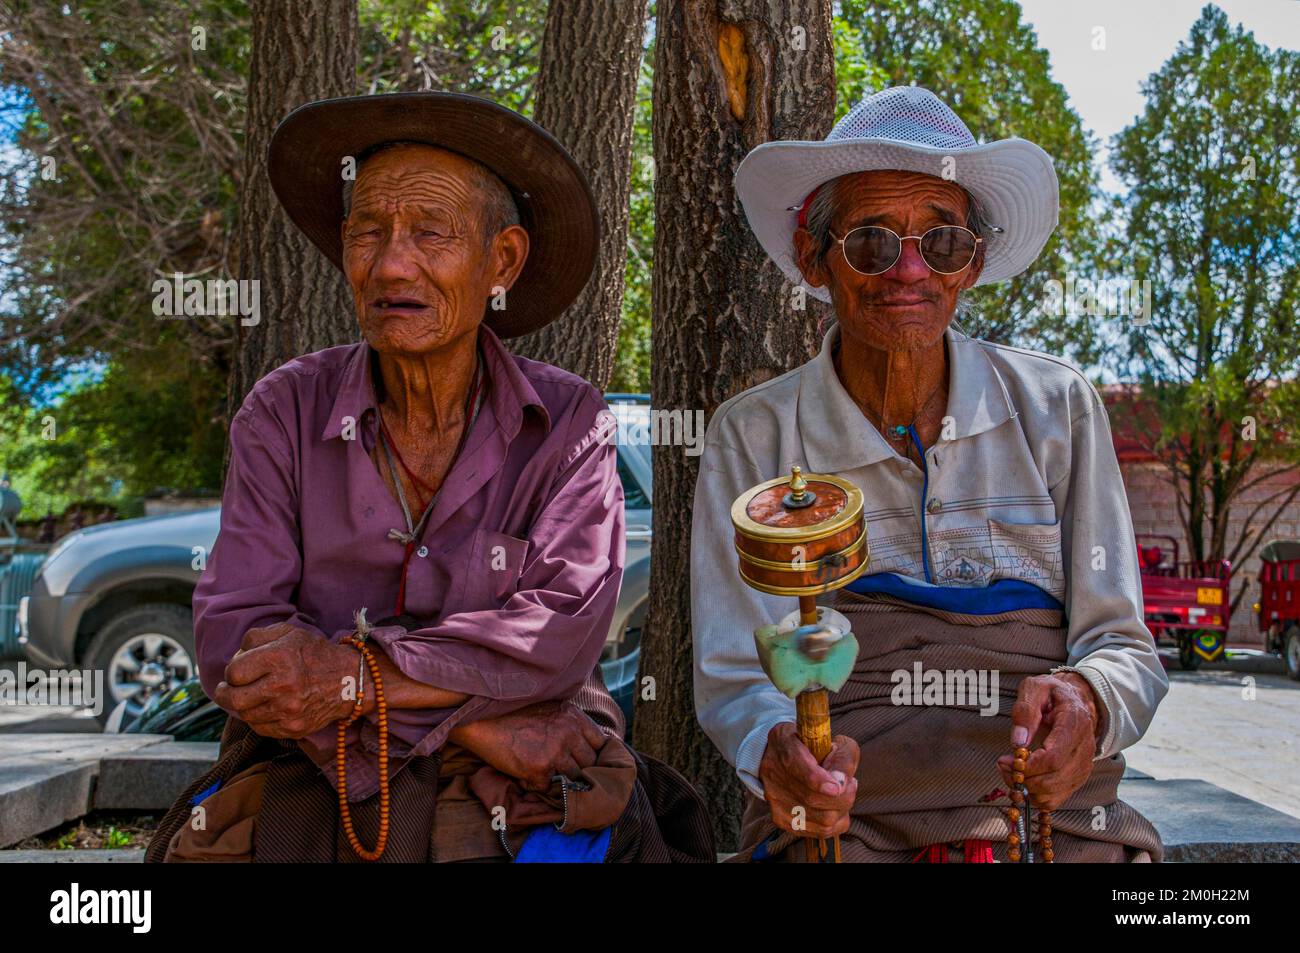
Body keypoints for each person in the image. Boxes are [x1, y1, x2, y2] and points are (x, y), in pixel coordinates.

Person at [148, 92, 710, 863]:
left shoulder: (569, 421)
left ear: (501, 261)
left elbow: (558, 638)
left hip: (528, 773)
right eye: (368, 232)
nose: (390, 264)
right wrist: (473, 718)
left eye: (430, 232)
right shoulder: (283, 410)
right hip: (322, 766)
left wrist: (347, 674)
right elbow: (238, 644)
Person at [692, 86, 1167, 862]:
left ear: (972, 264)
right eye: (872, 243)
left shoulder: (1060, 408)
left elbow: (1121, 643)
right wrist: (777, 749)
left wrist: (1088, 697)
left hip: (1042, 812)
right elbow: (734, 671)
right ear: (815, 259)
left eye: (942, 243)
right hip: (848, 811)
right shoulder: (755, 433)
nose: (908, 270)